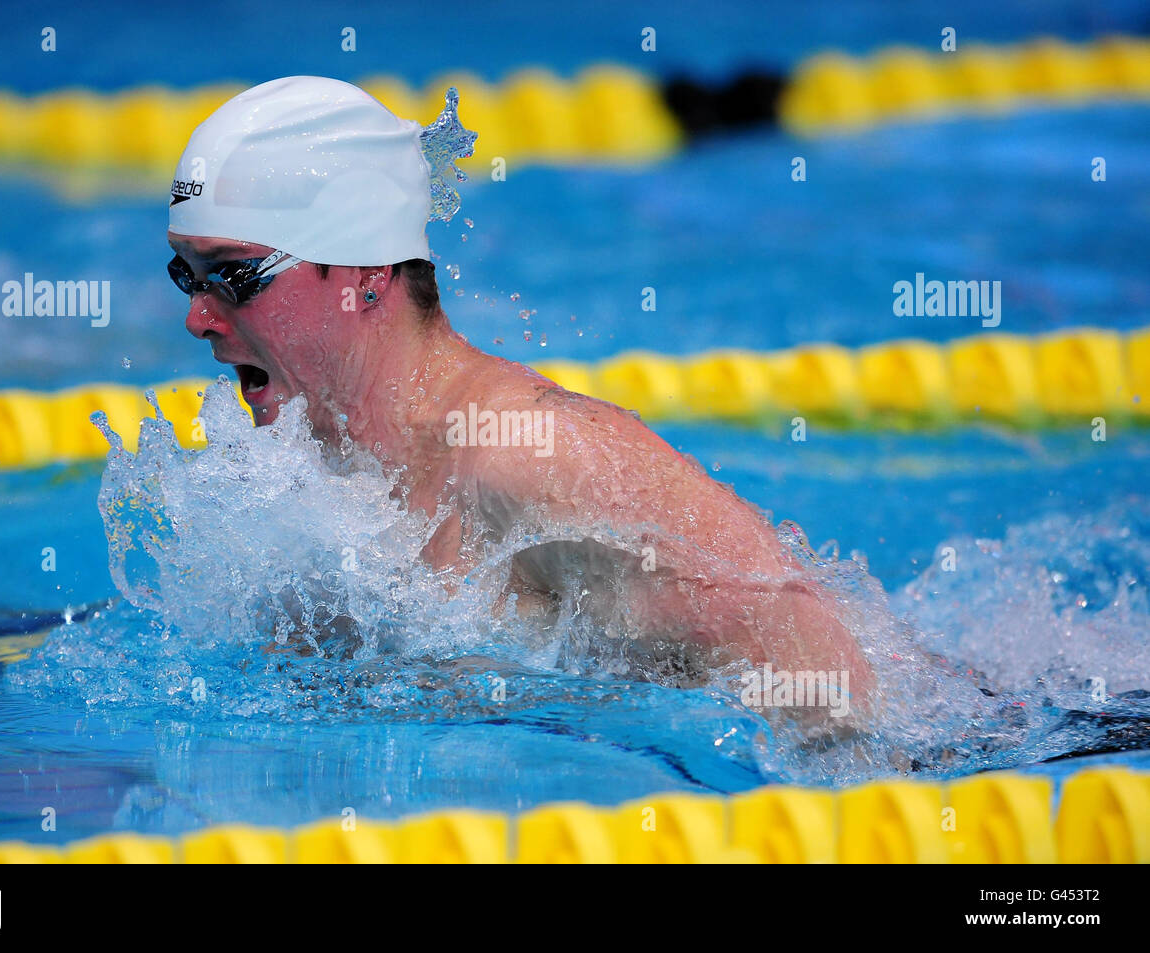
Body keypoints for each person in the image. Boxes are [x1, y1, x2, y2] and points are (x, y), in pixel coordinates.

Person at [167, 76, 875, 722]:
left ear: (366, 271)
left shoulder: (523, 454)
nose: (199, 316)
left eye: (234, 276)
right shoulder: (303, 470)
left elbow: (821, 664)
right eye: (187, 275)